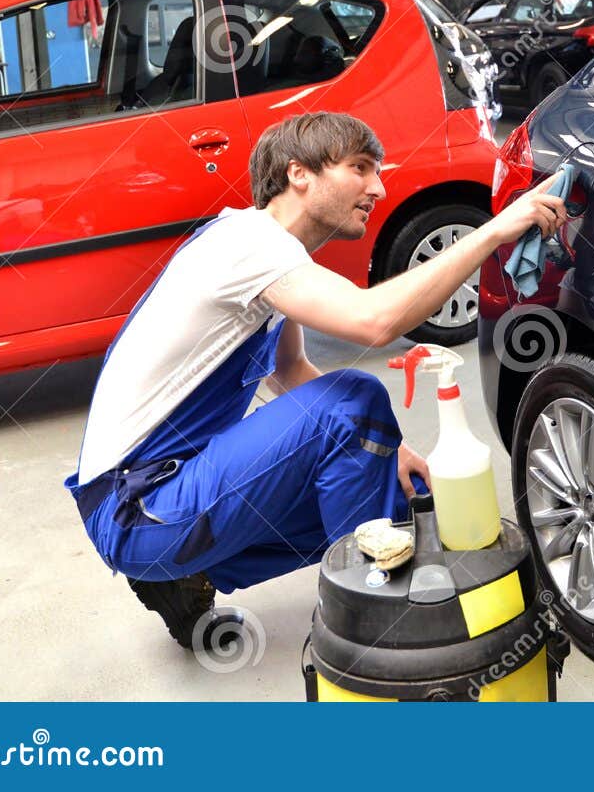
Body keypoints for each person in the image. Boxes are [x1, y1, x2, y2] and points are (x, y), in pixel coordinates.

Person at [63, 112, 566, 648]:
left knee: (401, 488)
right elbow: (376, 322)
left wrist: (386, 449)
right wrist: (493, 230)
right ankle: (374, 622)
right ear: (299, 175)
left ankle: (192, 578)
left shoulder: (264, 250)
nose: (378, 186)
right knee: (353, 401)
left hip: (160, 496)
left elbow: (290, 370)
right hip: (140, 509)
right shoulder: (250, 245)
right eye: (359, 168)